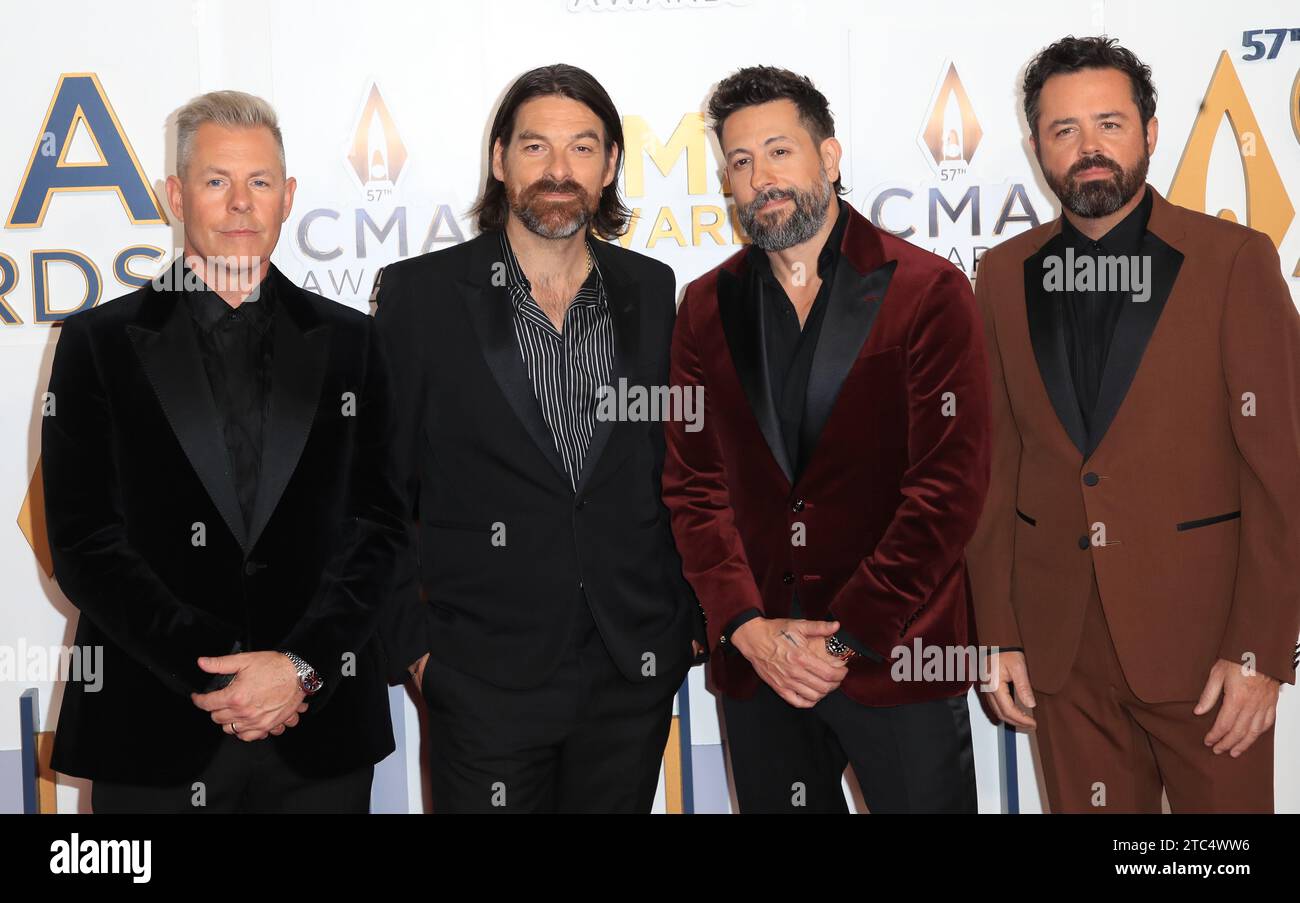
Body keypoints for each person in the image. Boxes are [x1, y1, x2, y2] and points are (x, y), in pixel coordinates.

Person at [43, 90, 406, 813]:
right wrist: (217, 673)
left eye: (260, 182)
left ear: (289, 196)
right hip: (152, 730)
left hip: (317, 731)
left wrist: (298, 668)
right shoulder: (97, 344)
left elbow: (383, 525)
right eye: (217, 182)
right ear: (176, 194)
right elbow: (84, 541)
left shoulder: (355, 343)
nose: (241, 204)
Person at [967, 36, 1300, 812]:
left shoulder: (1234, 261)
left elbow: (1282, 470)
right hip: (1063, 651)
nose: (1089, 149)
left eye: (1109, 125)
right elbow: (997, 462)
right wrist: (1002, 630)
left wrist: (1260, 651)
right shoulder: (1004, 272)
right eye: (1064, 130)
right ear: (1035, 148)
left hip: (1208, 653)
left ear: (1150, 133)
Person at [373, 64, 705, 813]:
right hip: (480, 674)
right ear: (499, 159)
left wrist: (686, 621)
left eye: (582, 148)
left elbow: (681, 466)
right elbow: (376, 490)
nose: (559, 171)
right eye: (535, 148)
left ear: (611, 164)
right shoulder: (421, 296)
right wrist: (419, 652)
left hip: (632, 666)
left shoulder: (652, 289)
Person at [663, 66, 990, 813]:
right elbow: (694, 485)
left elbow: (948, 490)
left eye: (779, 151)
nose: (760, 177)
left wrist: (842, 641)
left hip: (897, 656)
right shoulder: (705, 307)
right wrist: (744, 626)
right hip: (761, 666)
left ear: (830, 157)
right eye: (740, 162)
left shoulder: (927, 291)